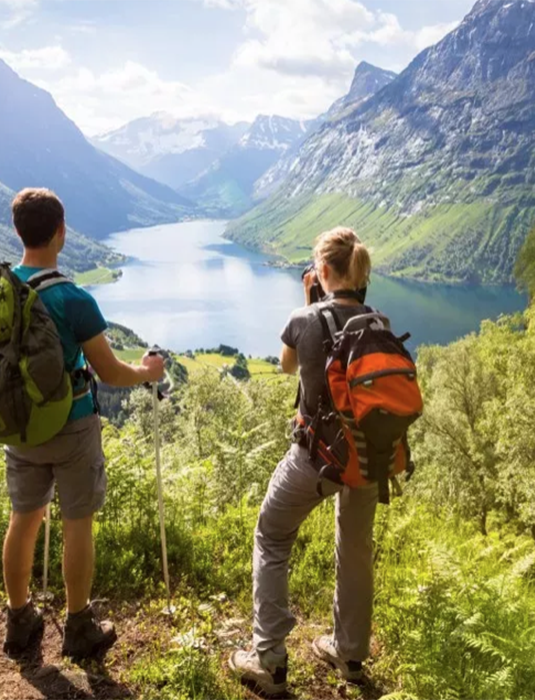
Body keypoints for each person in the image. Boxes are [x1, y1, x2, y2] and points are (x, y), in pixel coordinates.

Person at [0, 188, 166, 662]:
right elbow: (111, 373)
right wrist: (148, 372)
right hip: (71, 425)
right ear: (61, 232)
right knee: (78, 523)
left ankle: (19, 619)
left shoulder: (0, 289)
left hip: (20, 426)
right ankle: (78, 627)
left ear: (18, 231)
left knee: (23, 519)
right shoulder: (74, 297)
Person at [230, 227, 378, 695]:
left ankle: (269, 660)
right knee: (355, 550)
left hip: (316, 457)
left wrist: (310, 301)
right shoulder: (379, 322)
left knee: (271, 536)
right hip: (367, 458)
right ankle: (350, 655)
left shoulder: (304, 318)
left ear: (324, 271)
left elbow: (287, 365)